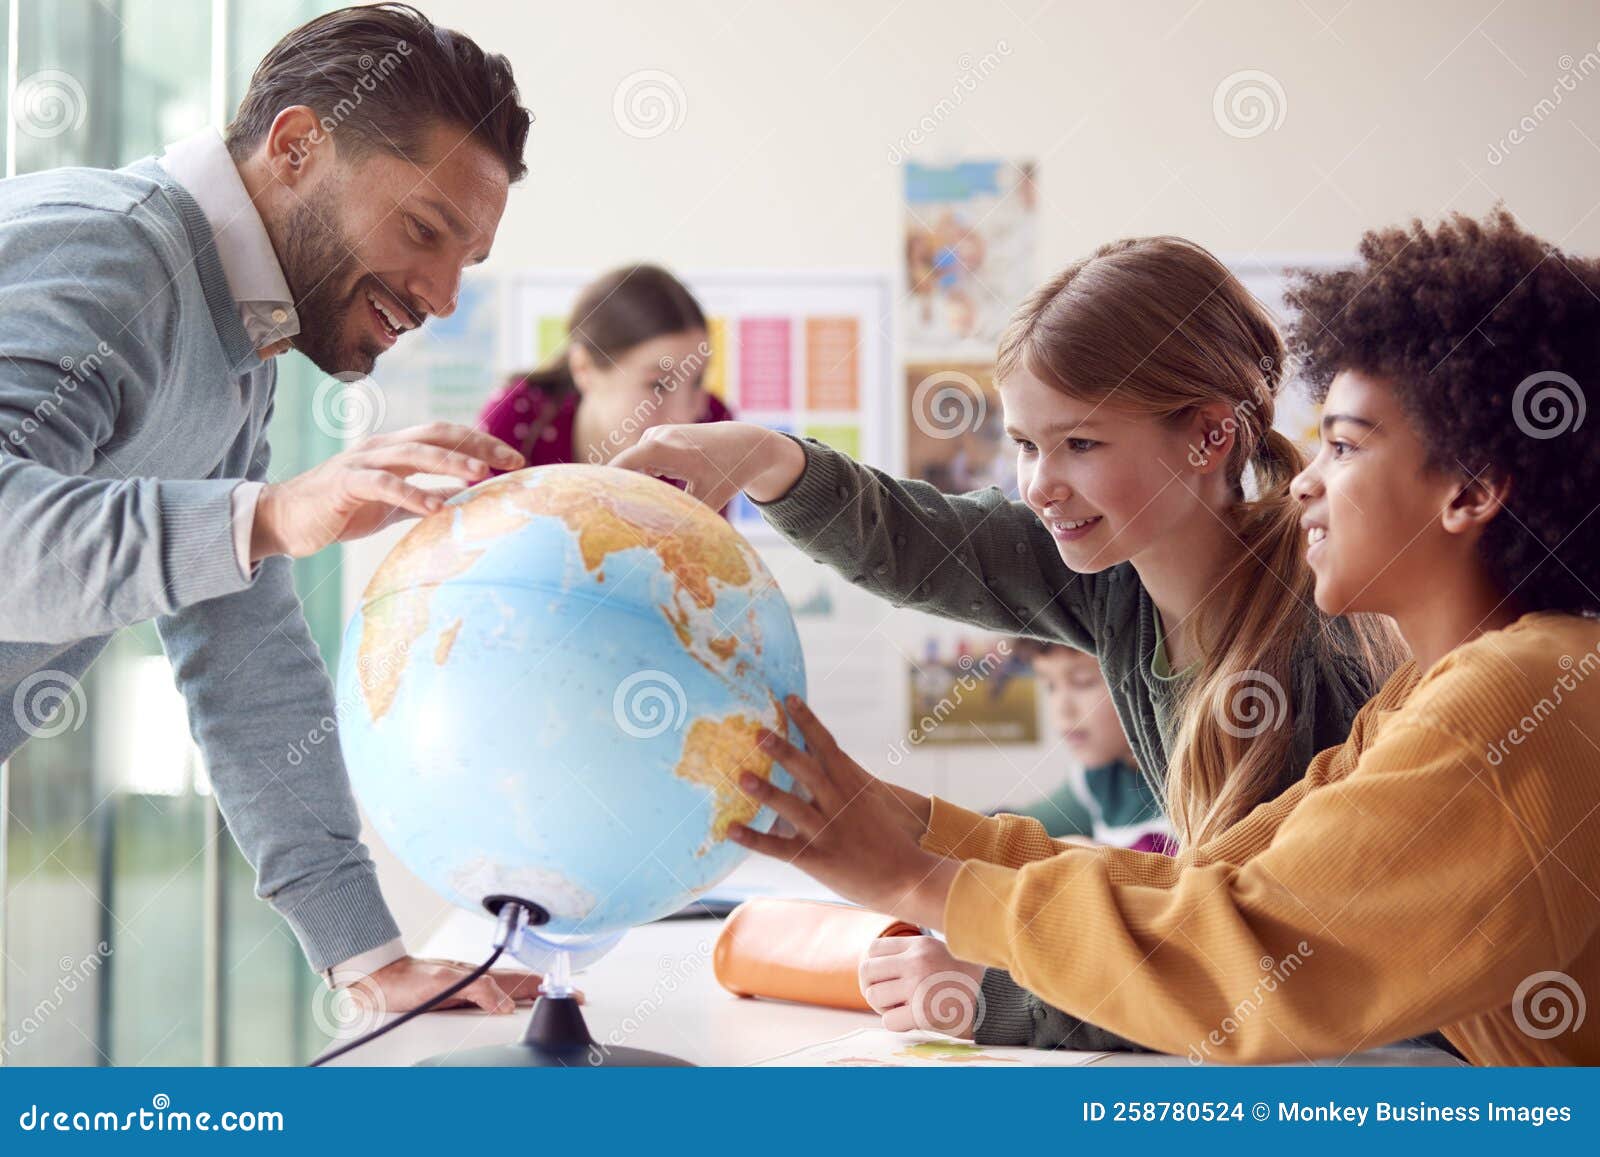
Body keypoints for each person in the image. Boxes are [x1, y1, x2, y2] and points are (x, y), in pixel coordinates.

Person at [731, 210, 1600, 1065]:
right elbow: (1208, 887)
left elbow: (1246, 956)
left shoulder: (1508, 700)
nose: (1305, 483)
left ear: (1470, 490)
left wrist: (920, 880)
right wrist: (909, 827)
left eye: (1342, 447)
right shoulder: (1433, 696)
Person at [612, 234, 1402, 1043]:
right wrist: (760, 455)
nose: (1040, 484)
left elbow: (1260, 966)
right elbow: (917, 543)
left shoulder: (1315, 643)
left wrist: (1008, 996)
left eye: (1080, 444)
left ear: (1209, 436)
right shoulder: (1114, 572)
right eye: (1026, 444)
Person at [0, 4, 542, 1016]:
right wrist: (270, 513)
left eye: (465, 261)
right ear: (296, 146)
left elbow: (244, 654)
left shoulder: (238, 348)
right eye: (425, 230)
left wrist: (365, 953)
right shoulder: (105, 253)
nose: (441, 296)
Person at [478, 264, 731, 470]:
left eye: (697, 380)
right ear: (584, 368)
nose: (685, 416)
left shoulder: (713, 427)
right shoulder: (514, 422)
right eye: (659, 384)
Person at [994, 640, 1173, 853]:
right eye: (1049, 685)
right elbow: (1016, 827)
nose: (1062, 709)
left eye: (1083, 682)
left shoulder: (1195, 780)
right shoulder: (1096, 779)